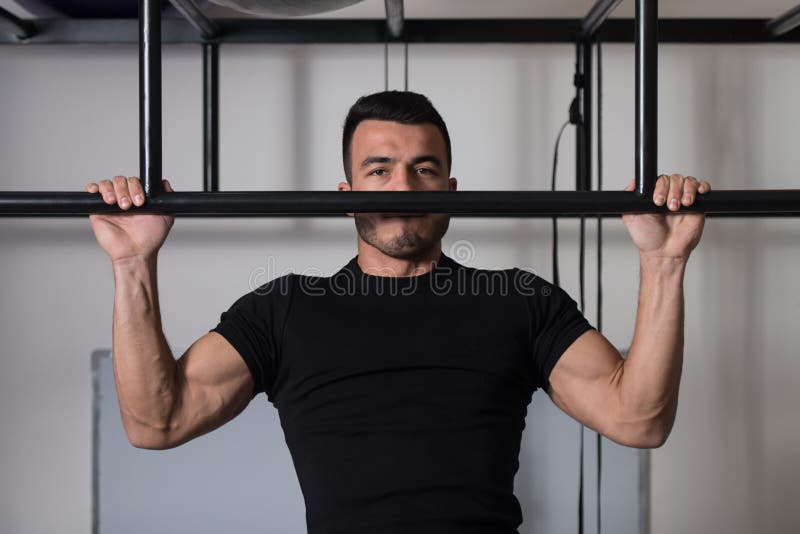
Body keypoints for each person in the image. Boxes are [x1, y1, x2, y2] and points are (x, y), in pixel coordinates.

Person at [86, 91, 711, 533]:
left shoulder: (519, 300)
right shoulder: (283, 309)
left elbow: (639, 421)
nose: (403, 188)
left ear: (450, 191)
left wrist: (664, 262)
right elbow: (156, 423)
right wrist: (132, 261)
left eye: (423, 169)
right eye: (378, 170)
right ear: (346, 194)